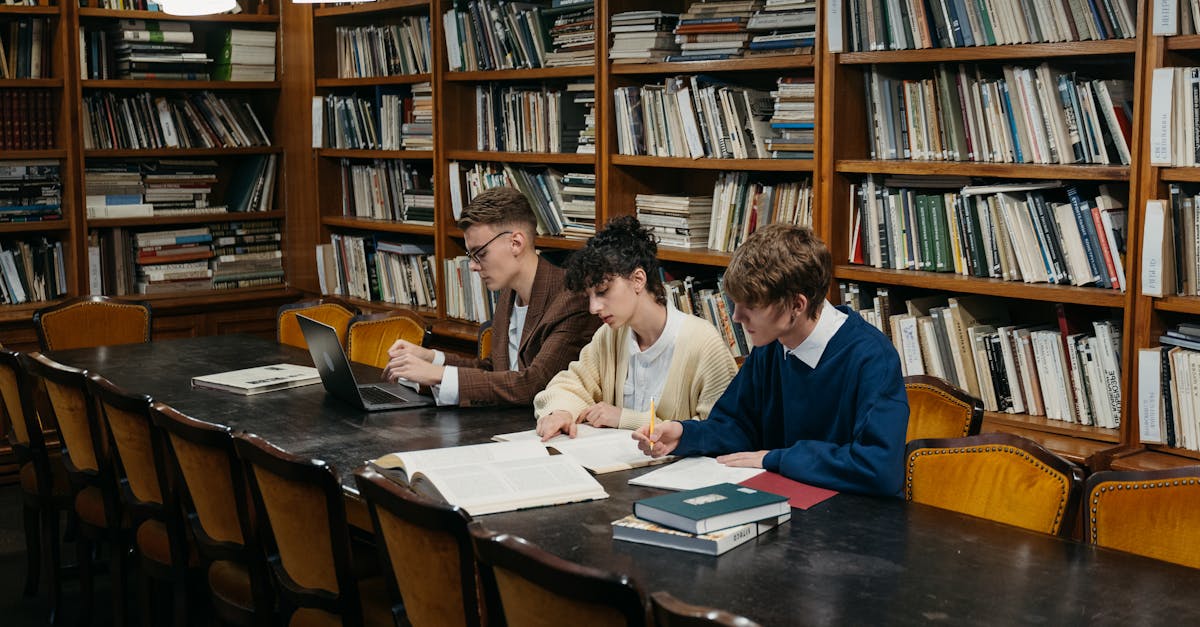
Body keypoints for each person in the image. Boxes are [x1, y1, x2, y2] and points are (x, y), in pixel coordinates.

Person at [633, 224, 909, 496]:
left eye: (751, 307)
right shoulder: (771, 345)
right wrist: (684, 435)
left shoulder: (872, 358)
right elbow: (738, 426)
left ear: (796, 306)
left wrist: (777, 458)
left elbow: (879, 469)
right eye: (736, 304)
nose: (736, 317)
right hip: (782, 505)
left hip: (856, 522)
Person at [383, 187, 599, 406]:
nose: (474, 266)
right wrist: (431, 358)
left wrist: (437, 374)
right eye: (471, 256)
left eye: (481, 254)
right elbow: (494, 371)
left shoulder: (573, 299)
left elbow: (534, 385)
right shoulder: (508, 293)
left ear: (516, 243)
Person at [533, 217, 738, 441]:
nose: (594, 308)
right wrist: (562, 412)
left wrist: (625, 418)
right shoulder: (610, 336)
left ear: (638, 279)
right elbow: (570, 384)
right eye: (589, 297)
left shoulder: (704, 343)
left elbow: (721, 431)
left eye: (602, 291)